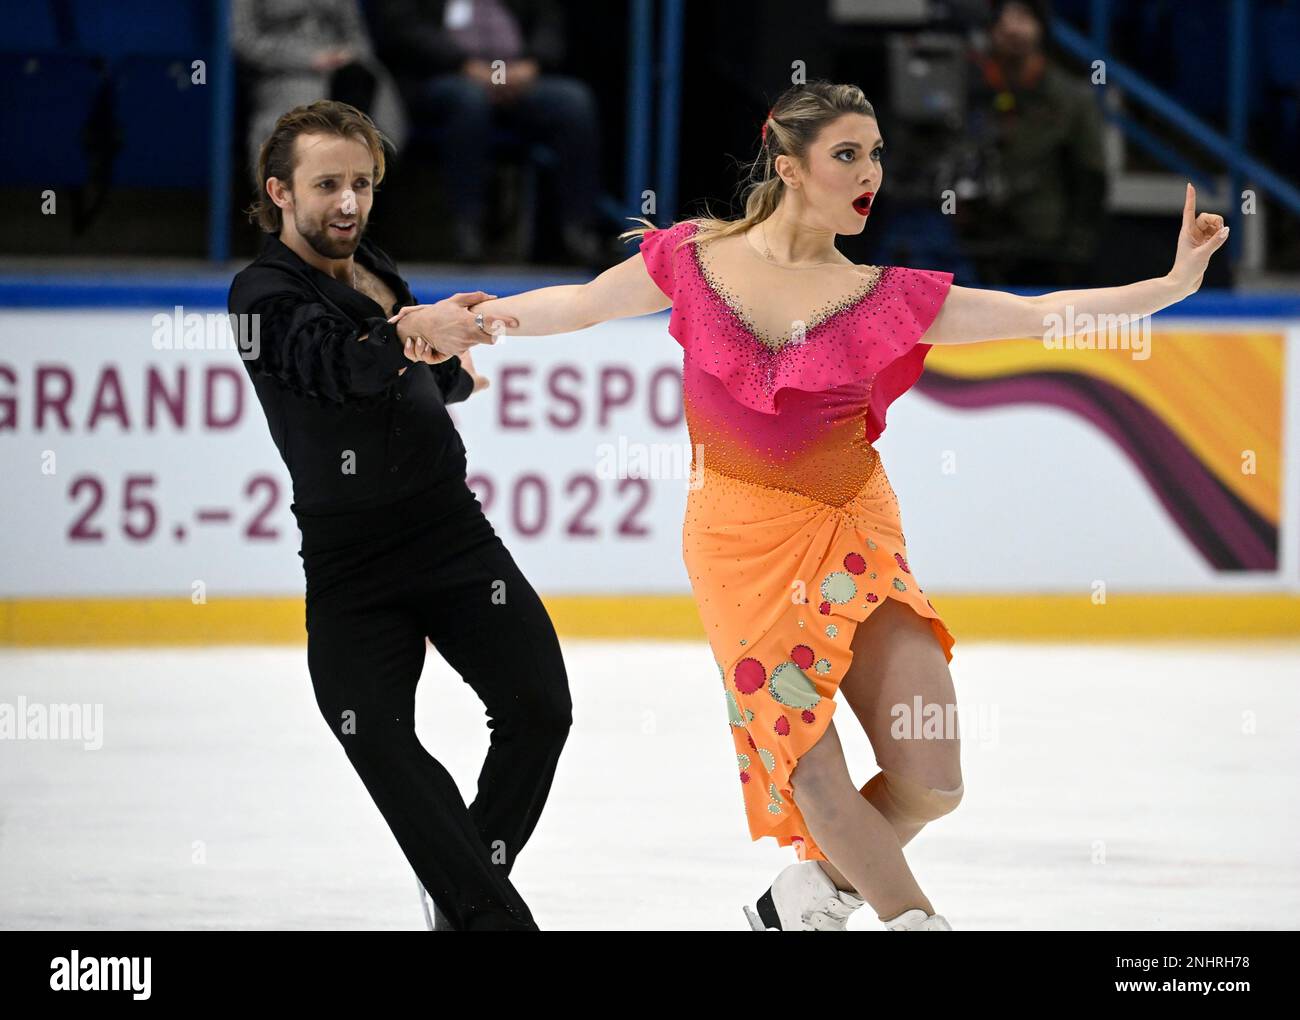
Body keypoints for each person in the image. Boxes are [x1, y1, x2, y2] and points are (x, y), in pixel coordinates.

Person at [393, 80, 1226, 931]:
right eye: (847, 154)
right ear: (787, 164)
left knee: (933, 777)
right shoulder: (694, 260)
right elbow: (577, 305)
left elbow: (1043, 316)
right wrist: (474, 322)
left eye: (876, 156)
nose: (870, 174)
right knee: (810, 764)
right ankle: (915, 920)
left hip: (854, 534)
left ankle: (804, 891)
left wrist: (1168, 286)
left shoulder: (889, 296)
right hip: (739, 543)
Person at [227, 100, 573, 931]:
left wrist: (449, 363)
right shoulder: (260, 294)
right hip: (352, 563)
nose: (348, 203)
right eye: (326, 186)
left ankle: (467, 897)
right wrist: (413, 330)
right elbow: (336, 366)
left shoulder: (374, 268)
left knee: (539, 709)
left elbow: (404, 365)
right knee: (372, 732)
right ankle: (489, 915)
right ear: (279, 191)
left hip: (452, 536)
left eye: (361, 183)